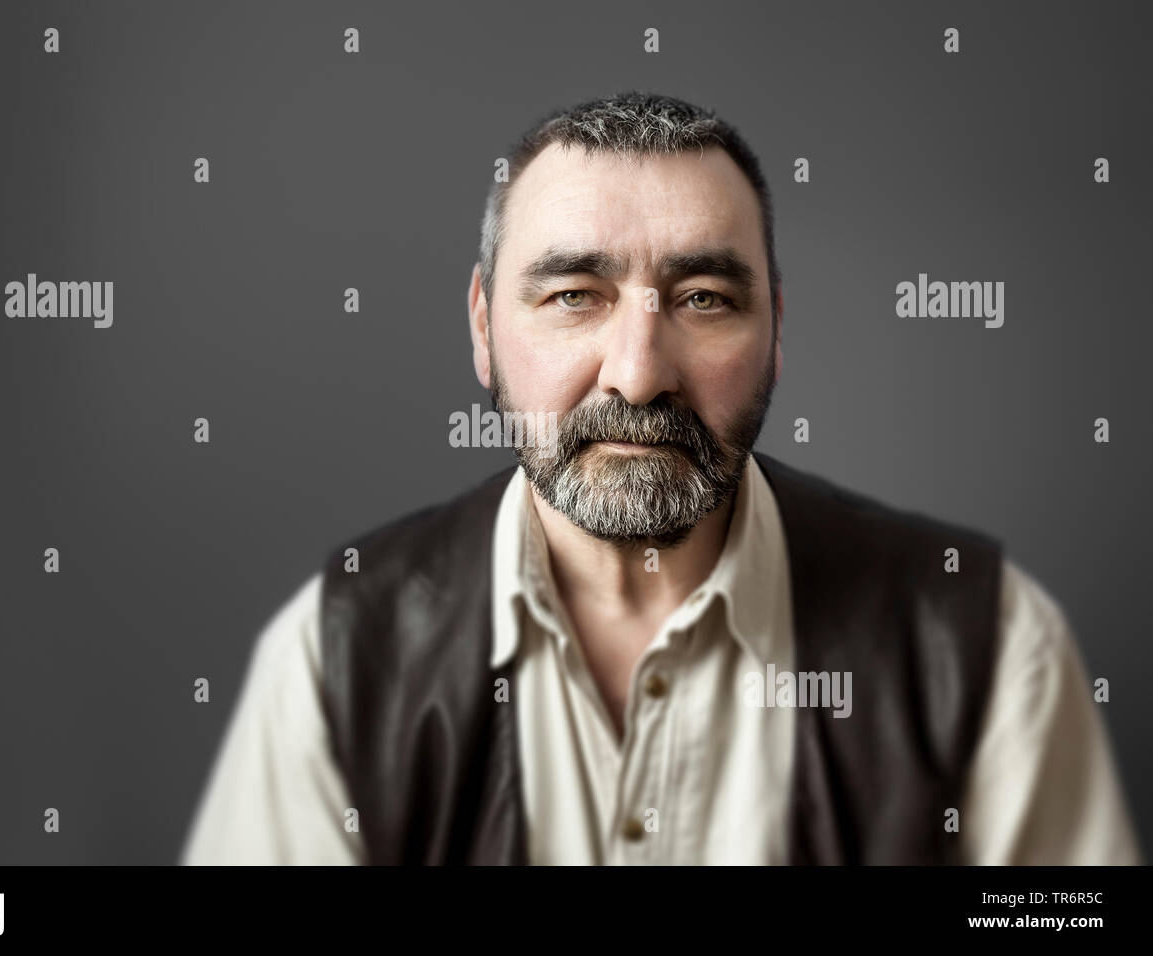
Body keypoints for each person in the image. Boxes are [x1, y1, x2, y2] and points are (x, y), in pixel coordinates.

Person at [181, 91, 1141, 865]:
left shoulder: (987, 649)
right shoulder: (333, 661)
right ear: (482, 327)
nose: (639, 372)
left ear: (777, 335)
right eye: (572, 296)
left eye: (704, 299)